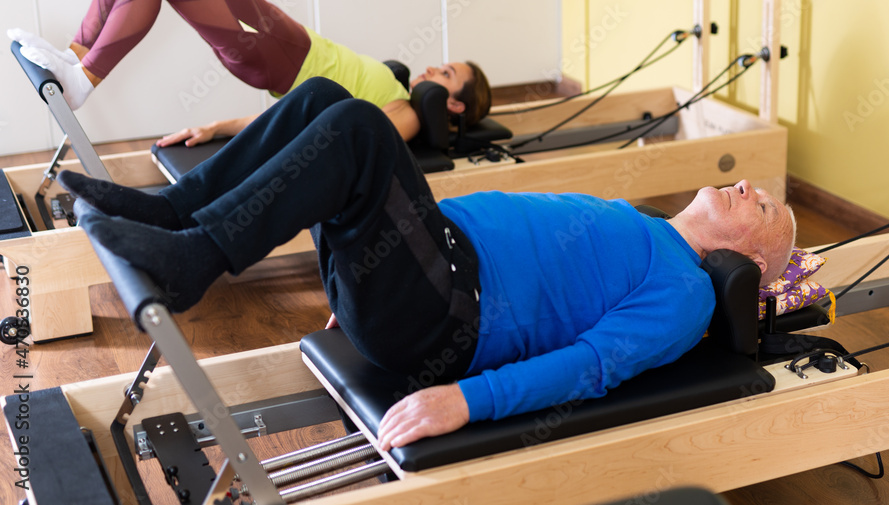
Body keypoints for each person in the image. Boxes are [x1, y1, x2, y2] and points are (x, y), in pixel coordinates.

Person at [62, 77, 795, 451]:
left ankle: (193, 260)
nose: (747, 188)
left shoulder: (685, 294)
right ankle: (168, 213)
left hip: (445, 312)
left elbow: (590, 367)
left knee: (358, 128)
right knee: (324, 98)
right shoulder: (646, 228)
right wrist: (373, 278)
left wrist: (466, 402)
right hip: (420, 271)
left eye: (760, 206)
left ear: (749, 260)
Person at [9, 0, 491, 144]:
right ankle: (75, 56)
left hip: (281, 55)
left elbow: (347, 138)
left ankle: (82, 80)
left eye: (446, 75)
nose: (432, 69)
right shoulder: (397, 83)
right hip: (289, 37)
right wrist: (217, 128)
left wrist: (239, 136)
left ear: (452, 105)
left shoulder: (405, 110)